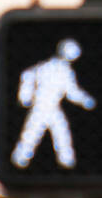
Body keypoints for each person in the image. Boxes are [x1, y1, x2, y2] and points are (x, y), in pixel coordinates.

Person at [11, 38, 96, 169]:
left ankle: (66, 160)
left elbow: (71, 91)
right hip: (40, 107)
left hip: (53, 107)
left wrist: (84, 100)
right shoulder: (46, 67)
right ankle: (20, 158)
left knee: (61, 132)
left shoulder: (66, 71)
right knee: (32, 133)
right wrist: (25, 97)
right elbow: (27, 75)